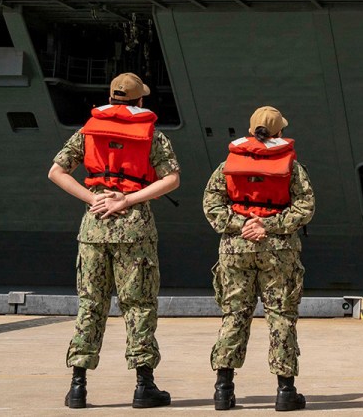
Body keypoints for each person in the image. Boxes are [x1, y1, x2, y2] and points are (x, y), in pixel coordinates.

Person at [48, 73, 182, 410]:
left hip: (94, 227)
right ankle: (143, 386)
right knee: (138, 306)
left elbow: (56, 171)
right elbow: (172, 180)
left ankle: (77, 387)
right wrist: (127, 200)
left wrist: (91, 199)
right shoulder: (153, 134)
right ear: (140, 101)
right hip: (134, 228)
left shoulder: (88, 130)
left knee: (91, 304)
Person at [203, 106, 316, 412]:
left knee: (234, 315)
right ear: (279, 132)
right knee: (281, 316)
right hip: (278, 250)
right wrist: (267, 225)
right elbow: (305, 207)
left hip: (236, 249)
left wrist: (243, 225)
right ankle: (285, 392)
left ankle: (223, 391)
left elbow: (212, 205)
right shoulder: (292, 166)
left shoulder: (228, 164)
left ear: (251, 130)